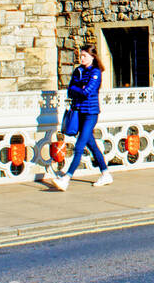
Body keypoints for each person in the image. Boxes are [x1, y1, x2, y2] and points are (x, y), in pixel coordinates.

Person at [44, 44, 113, 191]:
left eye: (84, 56)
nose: (81, 58)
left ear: (92, 57)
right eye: (80, 55)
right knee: (92, 145)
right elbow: (70, 90)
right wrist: (78, 89)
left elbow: (87, 92)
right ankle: (106, 173)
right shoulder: (78, 71)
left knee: (79, 146)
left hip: (91, 113)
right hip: (78, 111)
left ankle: (66, 178)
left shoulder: (96, 72)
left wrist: (79, 89)